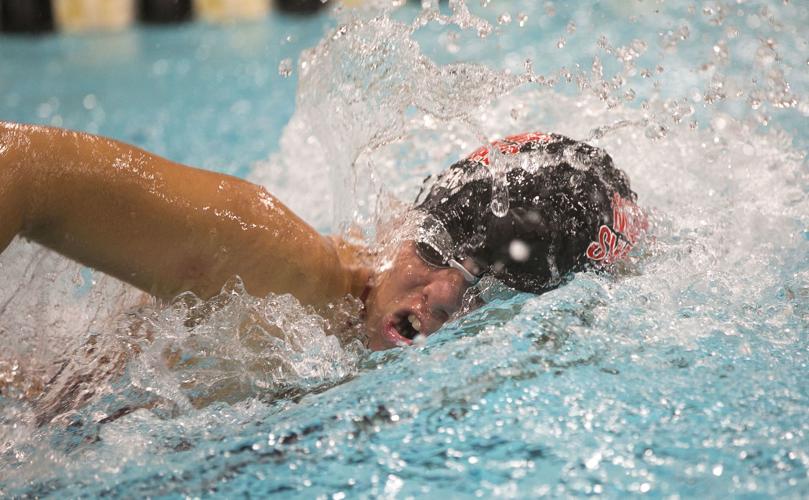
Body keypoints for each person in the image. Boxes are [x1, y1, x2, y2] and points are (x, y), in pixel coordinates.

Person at [0, 122, 646, 352]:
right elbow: (21, 168)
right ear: (403, 222)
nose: (444, 294)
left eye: (493, 287)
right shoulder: (274, 262)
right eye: (436, 251)